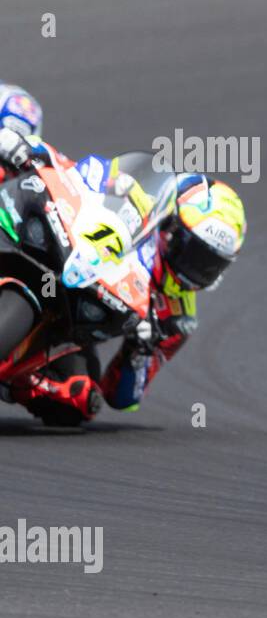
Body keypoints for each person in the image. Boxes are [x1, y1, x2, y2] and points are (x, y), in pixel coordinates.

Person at [0, 141, 247, 426]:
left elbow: (123, 397)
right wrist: (32, 151)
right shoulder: (139, 198)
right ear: (170, 225)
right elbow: (85, 174)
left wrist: (140, 351)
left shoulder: (176, 319)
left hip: (70, 325)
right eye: (191, 250)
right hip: (65, 255)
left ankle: (13, 375)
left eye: (209, 263)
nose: (194, 268)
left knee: (80, 400)